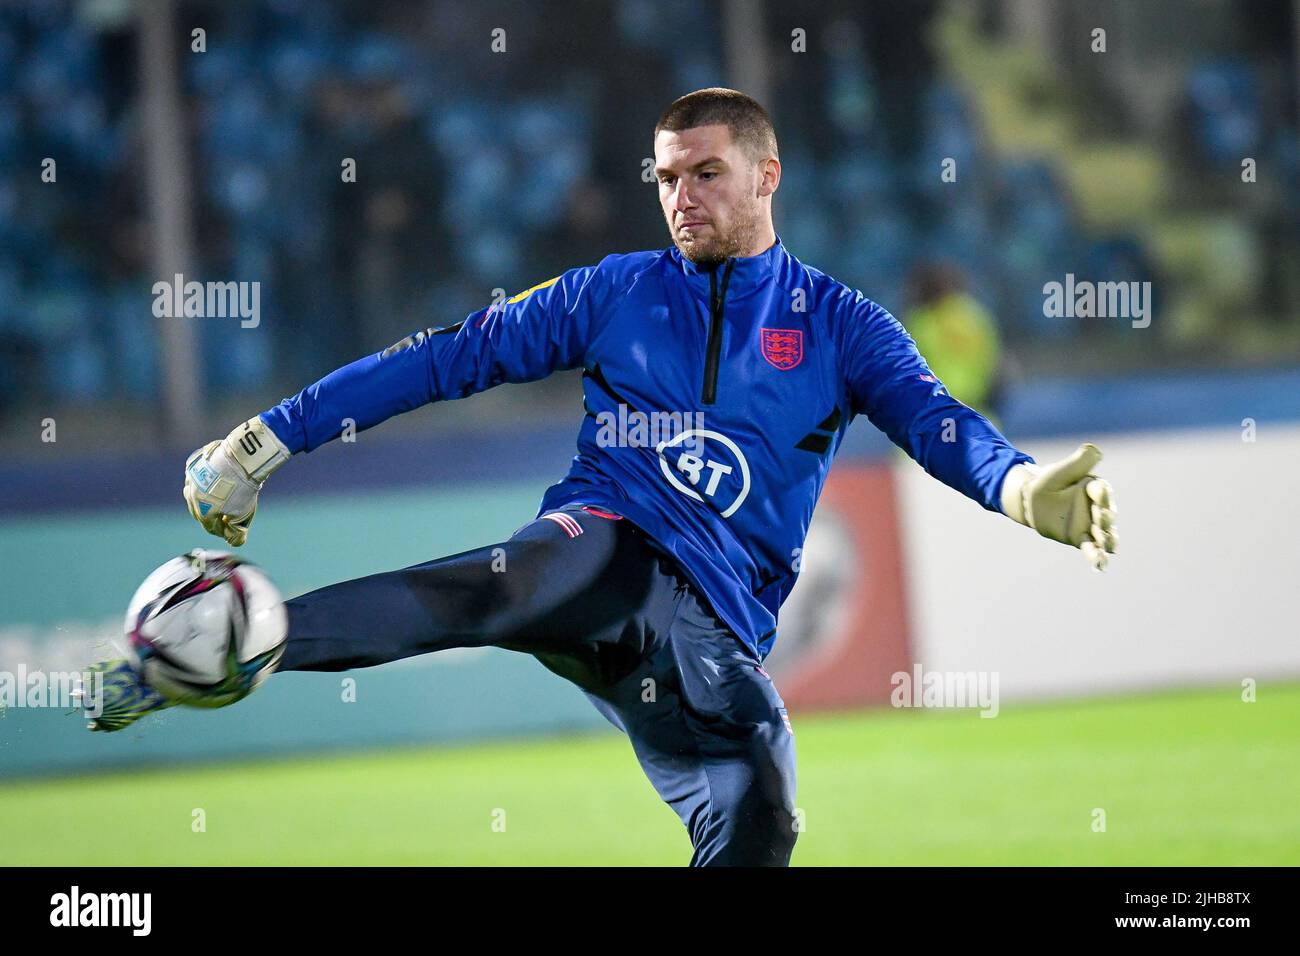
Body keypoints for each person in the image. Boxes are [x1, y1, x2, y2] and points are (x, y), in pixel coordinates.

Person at [86, 88, 1118, 866]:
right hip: (601, 542)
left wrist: (1023, 490)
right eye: (664, 177)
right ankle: (224, 643)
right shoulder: (613, 291)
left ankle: (219, 646)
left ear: (766, 176)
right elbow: (441, 355)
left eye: (703, 172)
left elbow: (940, 426)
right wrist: (268, 437)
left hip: (709, 640)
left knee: (762, 801)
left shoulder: (842, 326)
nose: (680, 196)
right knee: (516, 581)